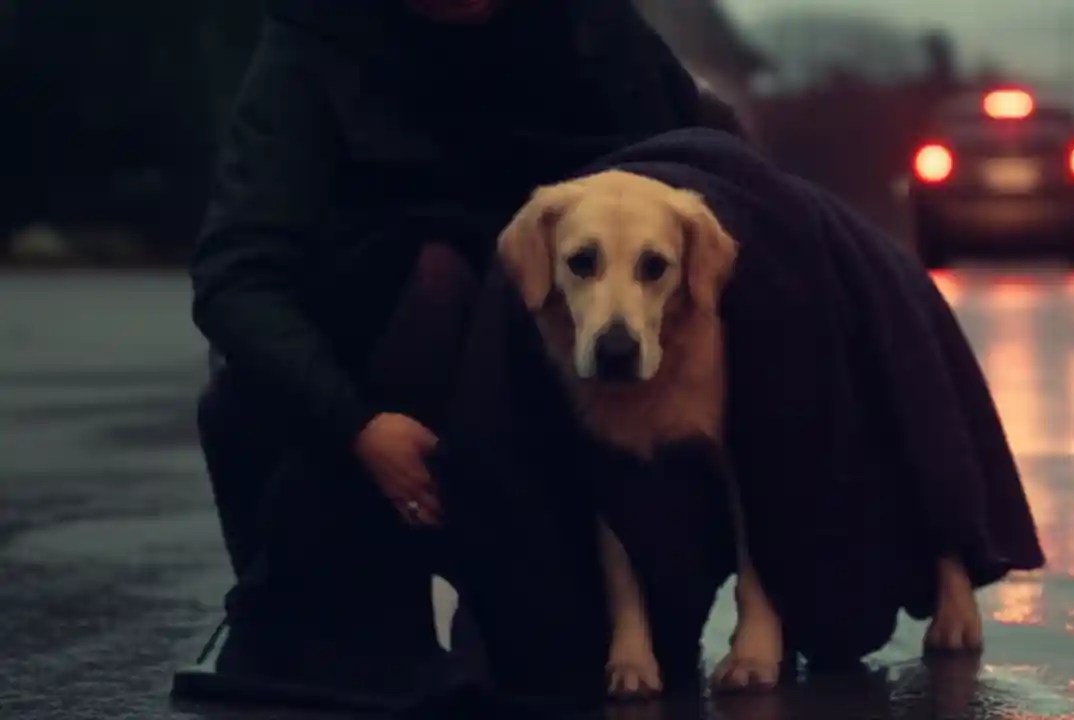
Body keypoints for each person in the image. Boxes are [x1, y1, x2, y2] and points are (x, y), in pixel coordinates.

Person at [180, 0, 742, 710]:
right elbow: (236, 276)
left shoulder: (598, 34)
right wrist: (356, 425)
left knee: (566, 663)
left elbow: (705, 183)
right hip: (356, 394)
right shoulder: (315, 40)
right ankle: (352, 609)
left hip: (551, 415)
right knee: (436, 279)